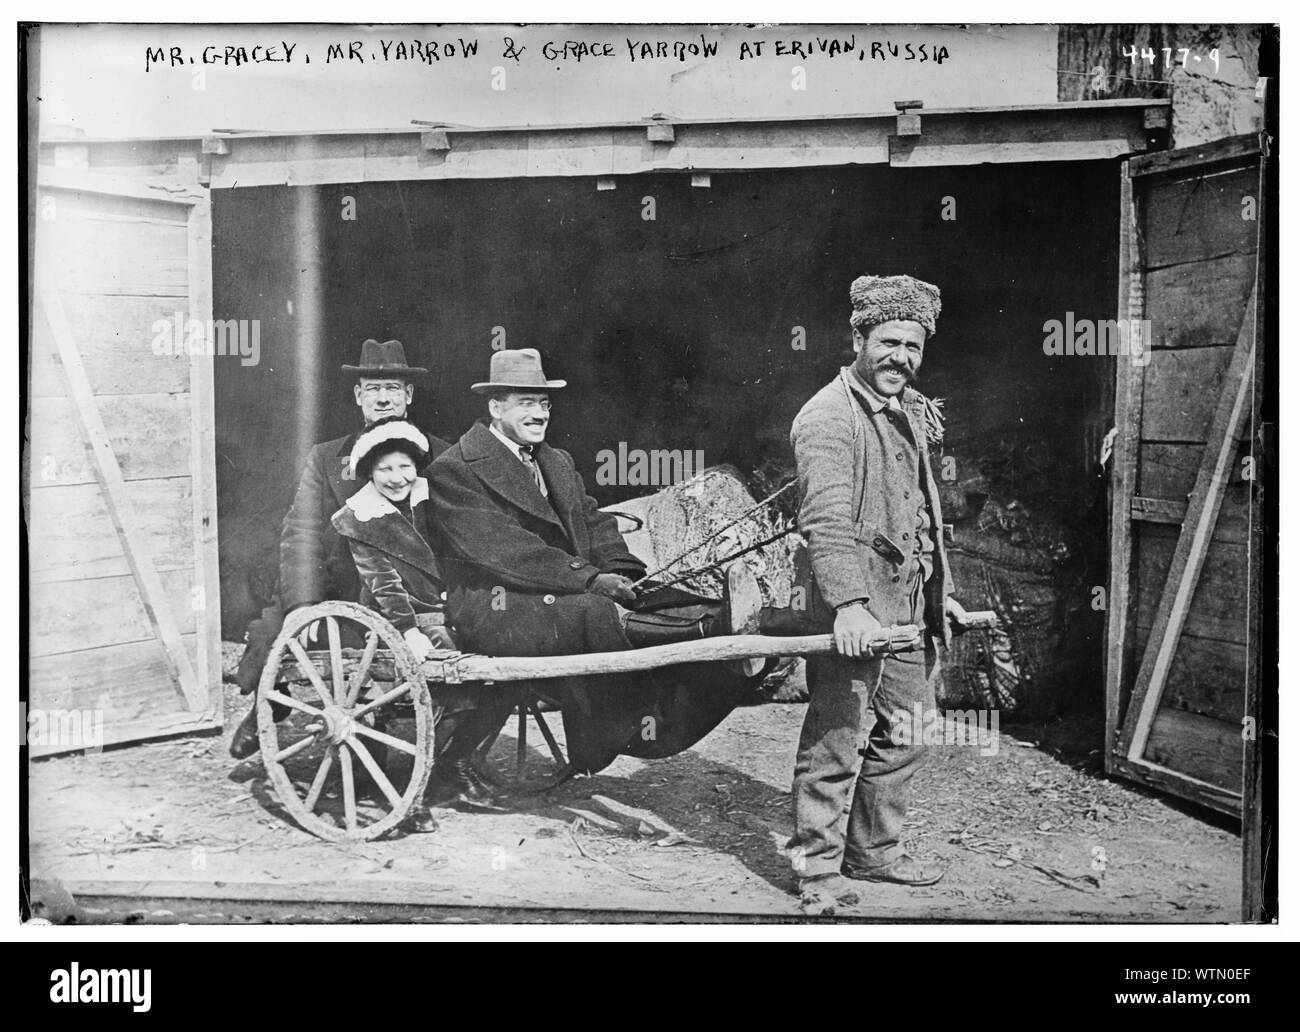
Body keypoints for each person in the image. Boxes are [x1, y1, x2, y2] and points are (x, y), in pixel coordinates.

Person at [428, 348, 765, 775]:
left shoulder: (556, 461)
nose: (540, 414)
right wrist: (589, 579)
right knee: (595, 610)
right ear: (495, 407)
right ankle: (710, 633)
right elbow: (504, 551)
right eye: (526, 403)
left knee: (653, 595)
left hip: (560, 588)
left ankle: (737, 625)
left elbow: (594, 520)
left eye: (545, 403)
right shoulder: (455, 468)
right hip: (494, 604)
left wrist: (621, 569)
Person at [786, 274, 970, 916]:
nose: (901, 358)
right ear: (858, 338)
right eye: (889, 342)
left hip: (905, 605)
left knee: (912, 726)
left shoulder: (909, 410)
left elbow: (920, 514)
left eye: (914, 347)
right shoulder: (827, 418)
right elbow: (827, 523)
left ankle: (875, 850)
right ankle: (815, 872)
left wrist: (935, 594)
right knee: (837, 740)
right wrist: (848, 606)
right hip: (855, 611)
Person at [228, 339, 451, 758]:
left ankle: (437, 752)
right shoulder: (328, 457)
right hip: (339, 587)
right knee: (274, 636)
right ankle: (269, 704)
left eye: (392, 387)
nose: (382, 397)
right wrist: (304, 604)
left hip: (411, 590)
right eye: (372, 388)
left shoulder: (440, 456)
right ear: (358, 396)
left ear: (409, 395)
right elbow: (301, 532)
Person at [330, 416, 508, 808]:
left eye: (404, 466)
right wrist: (408, 631)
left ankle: (454, 763)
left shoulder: (436, 498)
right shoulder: (359, 519)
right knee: (461, 688)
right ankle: (425, 782)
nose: (397, 478)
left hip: (457, 610)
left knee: (509, 676)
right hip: (400, 620)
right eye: (385, 469)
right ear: (369, 474)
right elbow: (384, 585)